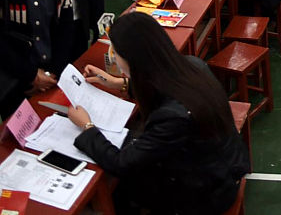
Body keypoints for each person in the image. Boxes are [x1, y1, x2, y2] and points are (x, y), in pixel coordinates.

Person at [67, 12, 249, 215]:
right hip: (220, 167)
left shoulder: (172, 117)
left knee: (119, 187)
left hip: (206, 194)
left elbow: (122, 163)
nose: (113, 58)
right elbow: (163, 86)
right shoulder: (191, 65)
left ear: (134, 59)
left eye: (115, 53)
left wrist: (87, 127)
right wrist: (119, 83)